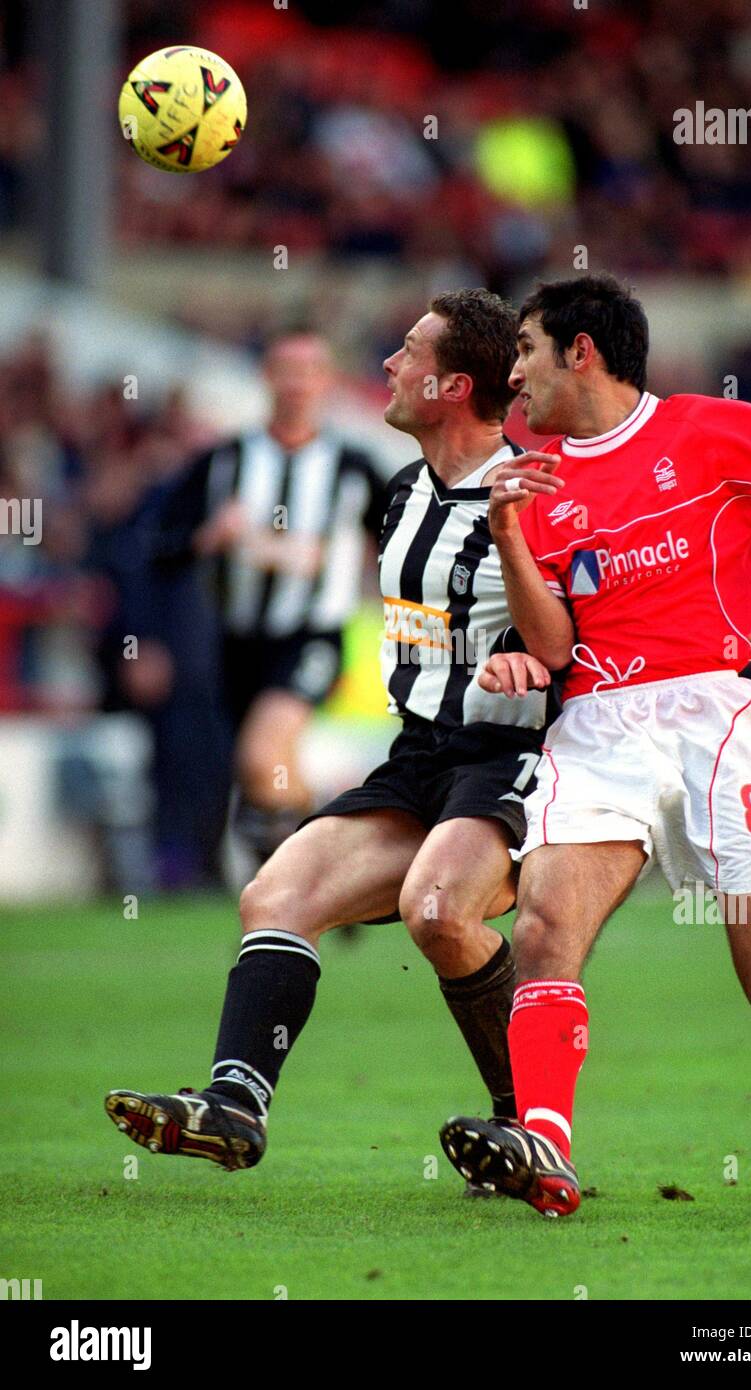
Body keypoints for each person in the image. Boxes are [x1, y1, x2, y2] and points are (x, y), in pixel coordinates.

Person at [104, 289, 559, 1178]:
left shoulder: (535, 494)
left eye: (408, 351)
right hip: (419, 757)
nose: (388, 364)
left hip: (511, 760)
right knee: (273, 898)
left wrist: (539, 664)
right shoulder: (396, 492)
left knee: (438, 914)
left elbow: (589, 635)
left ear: (452, 385)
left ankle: (534, 1128)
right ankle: (233, 1107)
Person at [439, 273, 751, 1217]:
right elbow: (551, 648)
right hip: (596, 726)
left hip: (718, 719)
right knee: (545, 929)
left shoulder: (716, 430)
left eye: (526, 351)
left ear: (580, 352)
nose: (514, 375)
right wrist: (505, 528)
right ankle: (545, 1148)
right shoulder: (531, 479)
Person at [149, 330, 388, 864]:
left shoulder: (352, 465)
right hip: (238, 642)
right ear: (266, 377)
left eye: (310, 370)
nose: (298, 383)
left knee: (261, 757)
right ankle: (335, 858)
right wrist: (206, 536)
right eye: (286, 368)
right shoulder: (225, 462)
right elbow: (159, 548)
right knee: (265, 771)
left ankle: (302, 879)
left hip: (313, 636)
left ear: (327, 381)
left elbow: (397, 540)